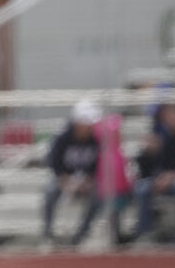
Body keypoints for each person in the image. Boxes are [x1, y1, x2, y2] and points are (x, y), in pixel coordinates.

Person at [130, 102, 175, 242]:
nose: (170, 119)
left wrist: (173, 176)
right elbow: (150, 168)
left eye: (174, 115)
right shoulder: (161, 137)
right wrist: (148, 153)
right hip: (162, 180)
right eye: (167, 116)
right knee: (142, 187)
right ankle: (145, 233)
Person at [43, 100, 103, 245]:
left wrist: (89, 180)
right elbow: (54, 162)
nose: (90, 127)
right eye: (87, 123)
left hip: (86, 181)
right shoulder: (62, 138)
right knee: (50, 191)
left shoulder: (97, 139)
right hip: (64, 178)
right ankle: (48, 233)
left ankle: (81, 234)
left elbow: (100, 165)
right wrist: (64, 180)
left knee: (98, 196)